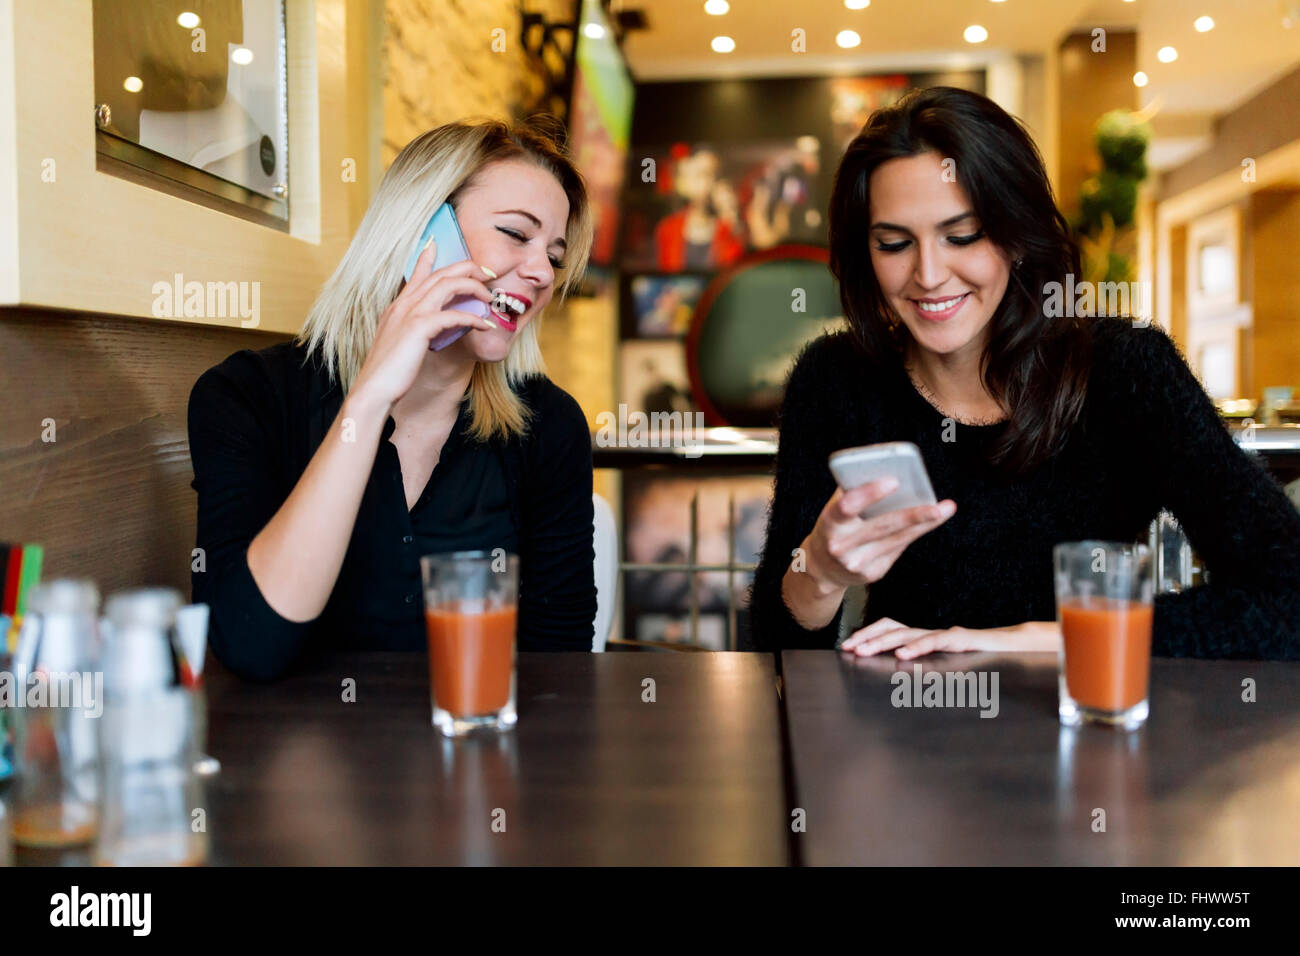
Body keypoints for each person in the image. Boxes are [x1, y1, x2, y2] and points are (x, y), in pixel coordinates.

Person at [750, 87, 1300, 660]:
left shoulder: (1123, 371)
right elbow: (777, 641)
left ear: (1015, 235)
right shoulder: (838, 378)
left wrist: (1042, 640)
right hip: (909, 729)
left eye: (961, 236)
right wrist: (820, 568)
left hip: (1089, 723)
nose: (930, 275)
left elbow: (1288, 593)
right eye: (894, 243)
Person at [188, 120, 597, 680]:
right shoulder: (247, 397)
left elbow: (562, 670)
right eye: (516, 234)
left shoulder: (549, 426)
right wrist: (371, 397)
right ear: (422, 230)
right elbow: (249, 645)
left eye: (554, 254)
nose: (541, 273)